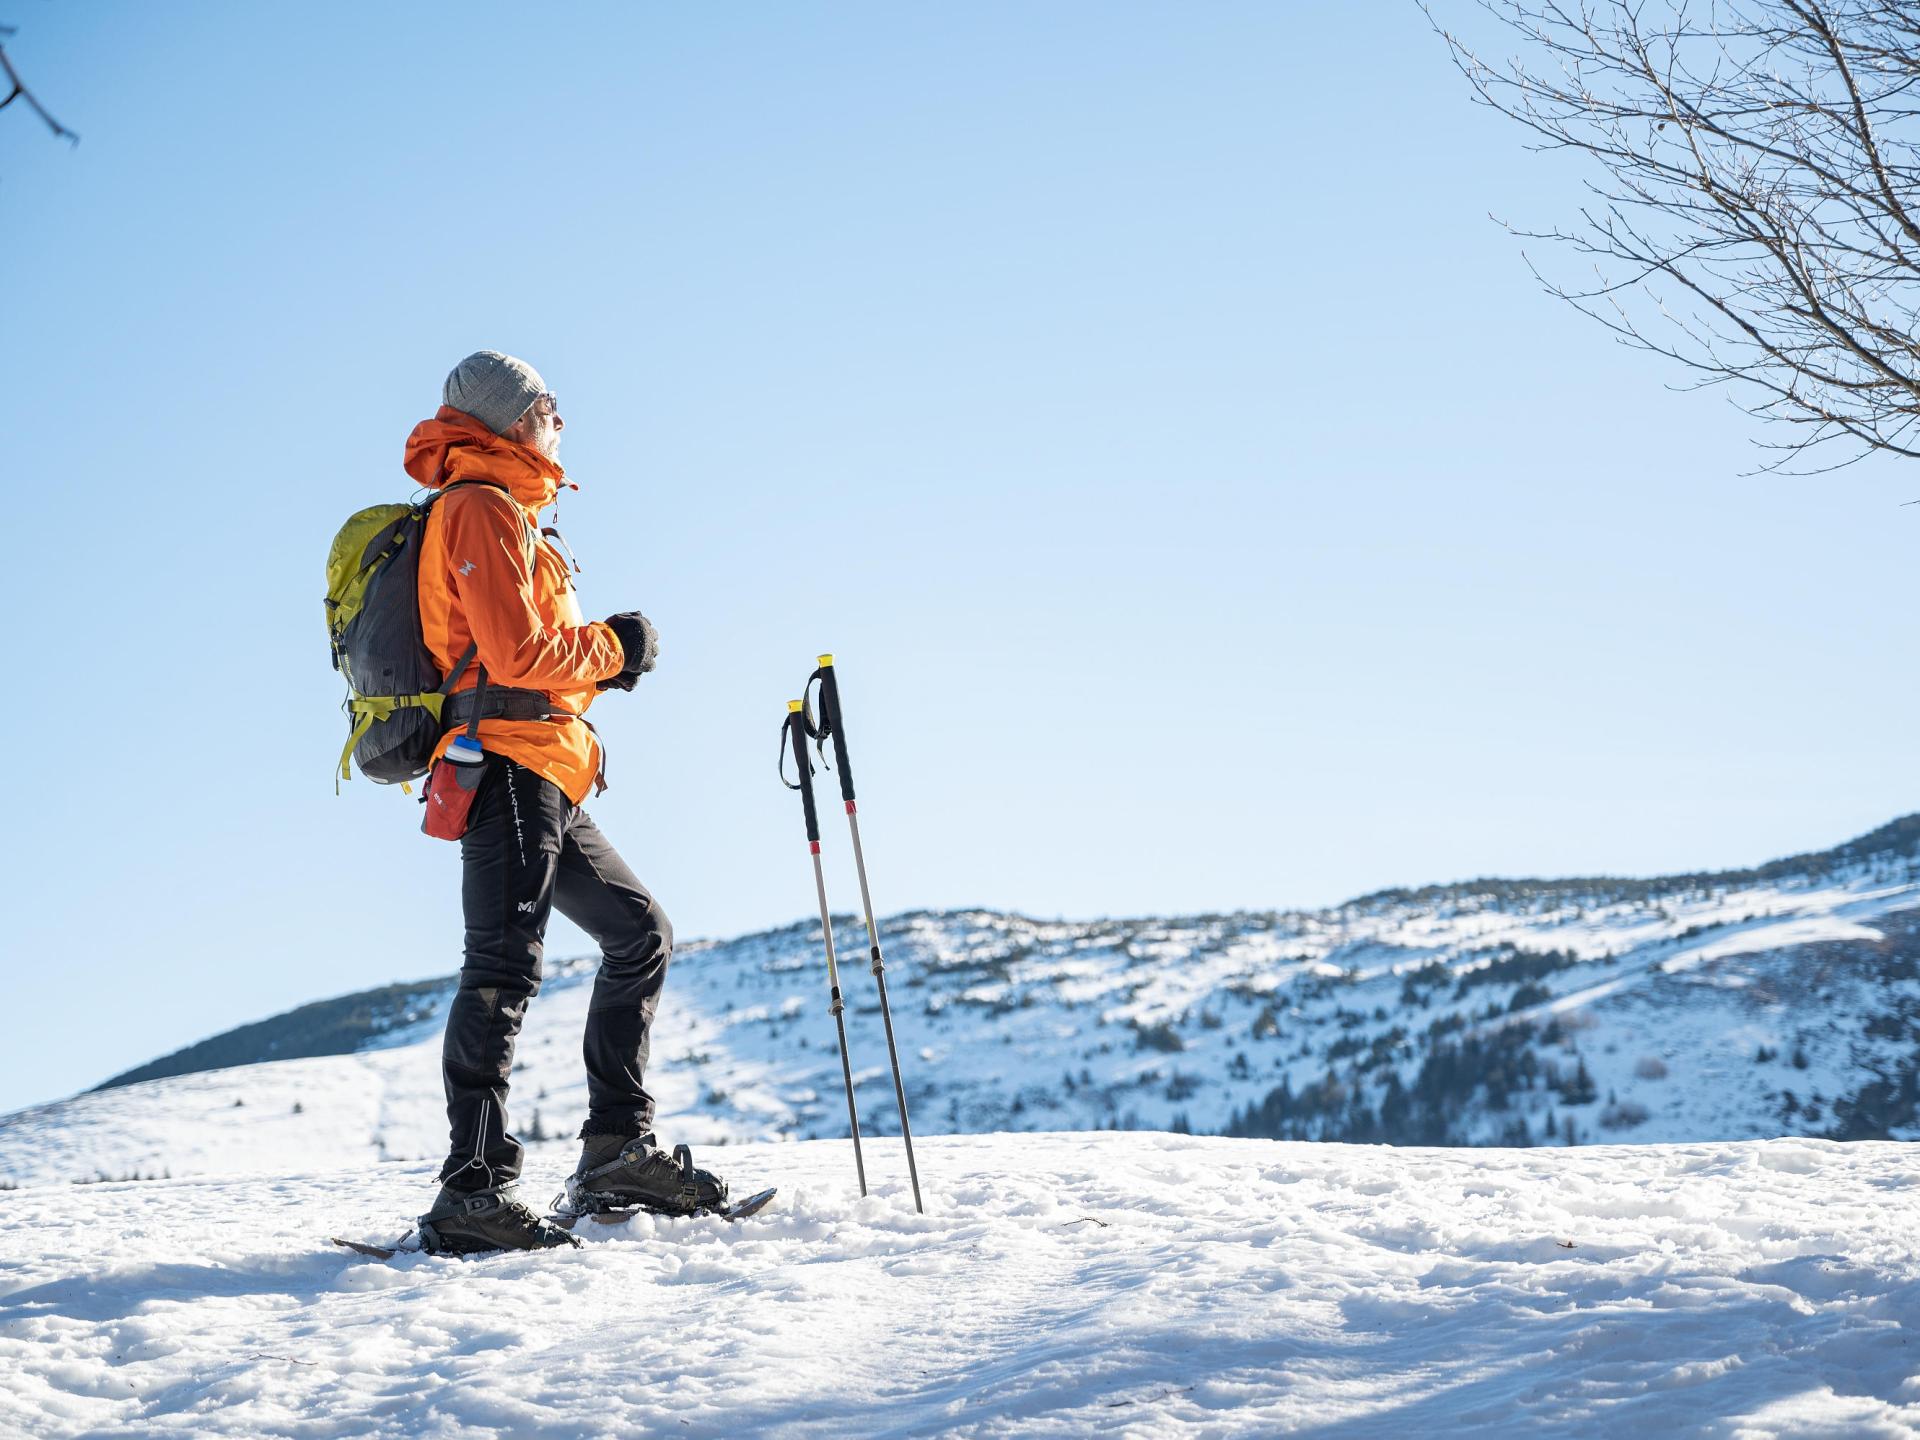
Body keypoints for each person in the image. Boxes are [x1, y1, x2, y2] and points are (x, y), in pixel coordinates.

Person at [400, 350, 724, 1254]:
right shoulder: (478, 508)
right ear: (510, 419)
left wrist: (596, 665)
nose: (561, 419)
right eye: (549, 404)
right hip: (504, 765)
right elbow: (516, 656)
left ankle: (616, 1150)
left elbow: (530, 656)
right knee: (502, 968)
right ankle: (472, 1190)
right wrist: (614, 648)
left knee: (639, 934)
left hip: (544, 770)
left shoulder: (511, 512)